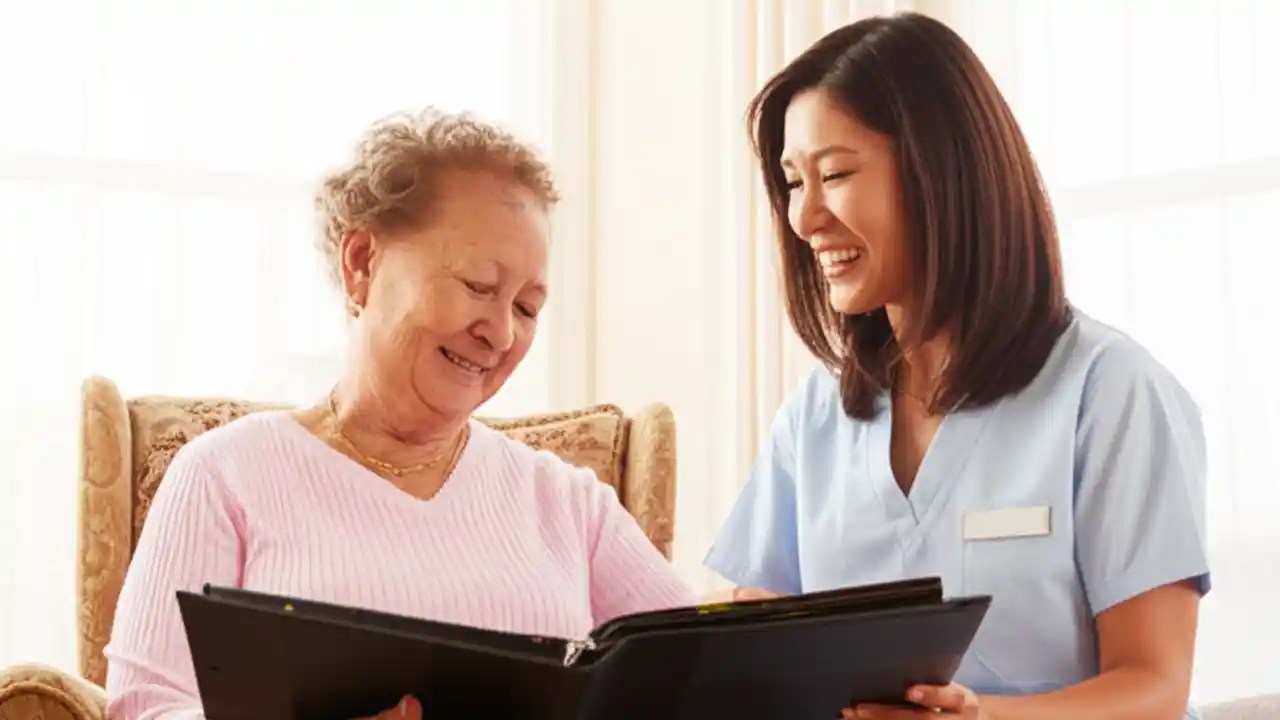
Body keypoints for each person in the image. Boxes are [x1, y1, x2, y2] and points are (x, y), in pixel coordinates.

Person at [104, 108, 695, 720]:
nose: (499, 331)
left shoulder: (569, 506)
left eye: (526, 307)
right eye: (477, 285)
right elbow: (145, 707)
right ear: (361, 262)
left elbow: (706, 676)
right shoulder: (225, 476)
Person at [704, 12, 1209, 720]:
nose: (804, 216)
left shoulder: (1110, 392)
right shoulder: (816, 415)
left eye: (836, 173)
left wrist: (981, 718)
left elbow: (1154, 687)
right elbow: (758, 641)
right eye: (792, 182)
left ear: (941, 171)